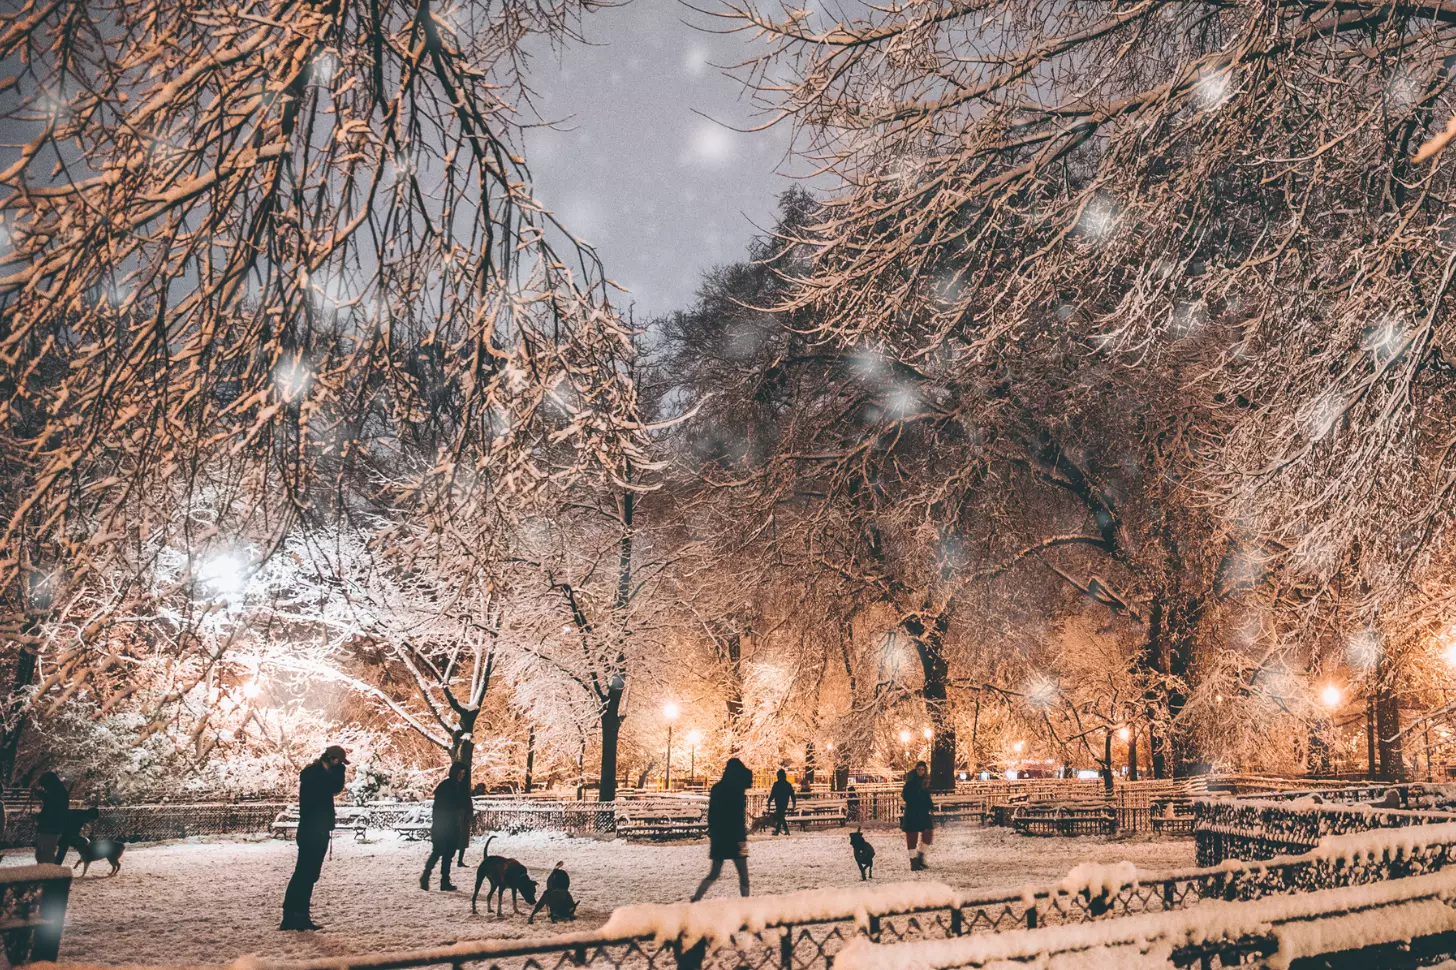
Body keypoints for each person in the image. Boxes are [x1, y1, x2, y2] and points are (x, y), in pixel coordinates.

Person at [281, 745, 348, 931]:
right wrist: (338, 773)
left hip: (315, 829)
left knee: (308, 874)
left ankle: (296, 915)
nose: (339, 766)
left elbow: (334, 787)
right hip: (313, 829)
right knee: (305, 873)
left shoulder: (316, 774)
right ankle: (294, 915)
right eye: (338, 762)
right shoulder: (315, 775)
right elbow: (333, 787)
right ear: (331, 759)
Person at [691, 758, 753, 901]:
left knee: (714, 872)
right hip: (737, 837)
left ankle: (696, 898)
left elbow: (712, 814)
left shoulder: (717, 789)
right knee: (743, 875)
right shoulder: (738, 790)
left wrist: (713, 831)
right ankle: (745, 903)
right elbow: (738, 816)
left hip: (720, 837)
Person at [421, 763, 471, 891]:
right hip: (443, 825)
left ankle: (444, 880)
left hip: (453, 825)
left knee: (449, 854)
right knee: (438, 851)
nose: (461, 776)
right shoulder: (446, 787)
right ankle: (426, 875)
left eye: (463, 774)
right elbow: (441, 807)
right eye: (460, 773)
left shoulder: (460, 787)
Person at [900, 761, 935, 871]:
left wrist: (930, 806)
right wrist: (917, 801)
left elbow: (927, 796)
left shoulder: (925, 782)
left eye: (923, 769)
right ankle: (913, 862)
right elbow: (906, 796)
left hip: (923, 813)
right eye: (919, 769)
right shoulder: (910, 782)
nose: (921, 771)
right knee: (912, 838)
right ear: (916, 770)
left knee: (928, 834)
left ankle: (920, 857)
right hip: (912, 813)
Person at [32, 772, 69, 864]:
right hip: (51, 828)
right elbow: (49, 800)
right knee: (42, 855)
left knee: (45, 855)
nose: (44, 788)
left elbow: (50, 805)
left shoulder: (57, 793)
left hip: (50, 828)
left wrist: (39, 817)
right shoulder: (59, 791)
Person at [768, 768, 797, 836]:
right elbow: (792, 795)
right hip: (784, 803)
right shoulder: (788, 784)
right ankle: (784, 831)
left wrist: (769, 801)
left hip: (778, 802)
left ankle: (779, 831)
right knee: (780, 816)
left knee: (780, 816)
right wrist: (794, 803)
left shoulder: (776, 784)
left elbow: (773, 794)